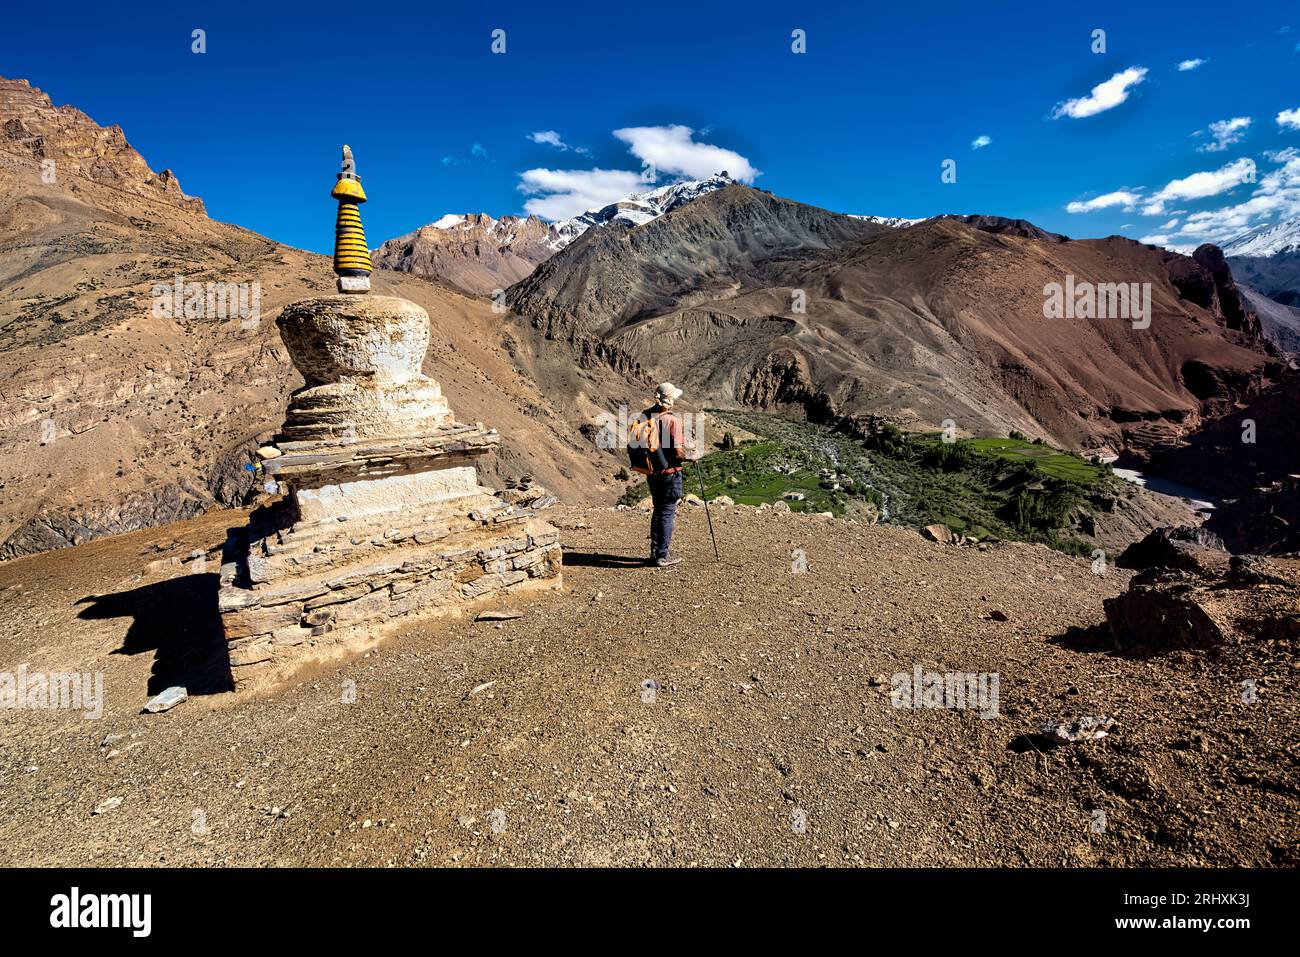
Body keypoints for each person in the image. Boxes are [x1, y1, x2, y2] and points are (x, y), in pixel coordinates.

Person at [628, 383, 700, 568]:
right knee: (667, 512)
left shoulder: (645, 415)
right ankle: (662, 555)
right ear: (671, 399)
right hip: (669, 474)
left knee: (658, 509)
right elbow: (677, 454)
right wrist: (692, 456)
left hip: (653, 472)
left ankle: (655, 550)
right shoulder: (672, 420)